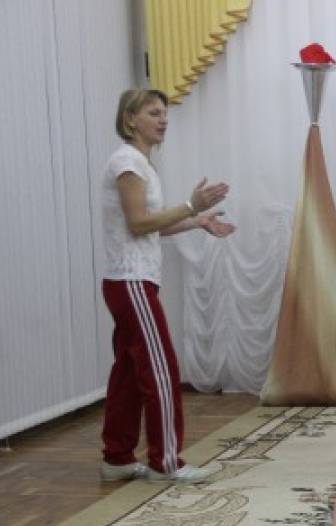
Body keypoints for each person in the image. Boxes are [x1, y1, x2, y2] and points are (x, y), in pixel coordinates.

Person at [99, 88, 234, 483]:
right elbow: (139, 223)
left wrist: (197, 221)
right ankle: (166, 461)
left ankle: (117, 456)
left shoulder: (140, 163)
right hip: (132, 282)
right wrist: (191, 205)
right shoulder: (127, 162)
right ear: (130, 119)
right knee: (160, 369)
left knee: (128, 370)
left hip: (133, 281)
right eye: (154, 113)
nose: (163, 120)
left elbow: (151, 225)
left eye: (165, 114)